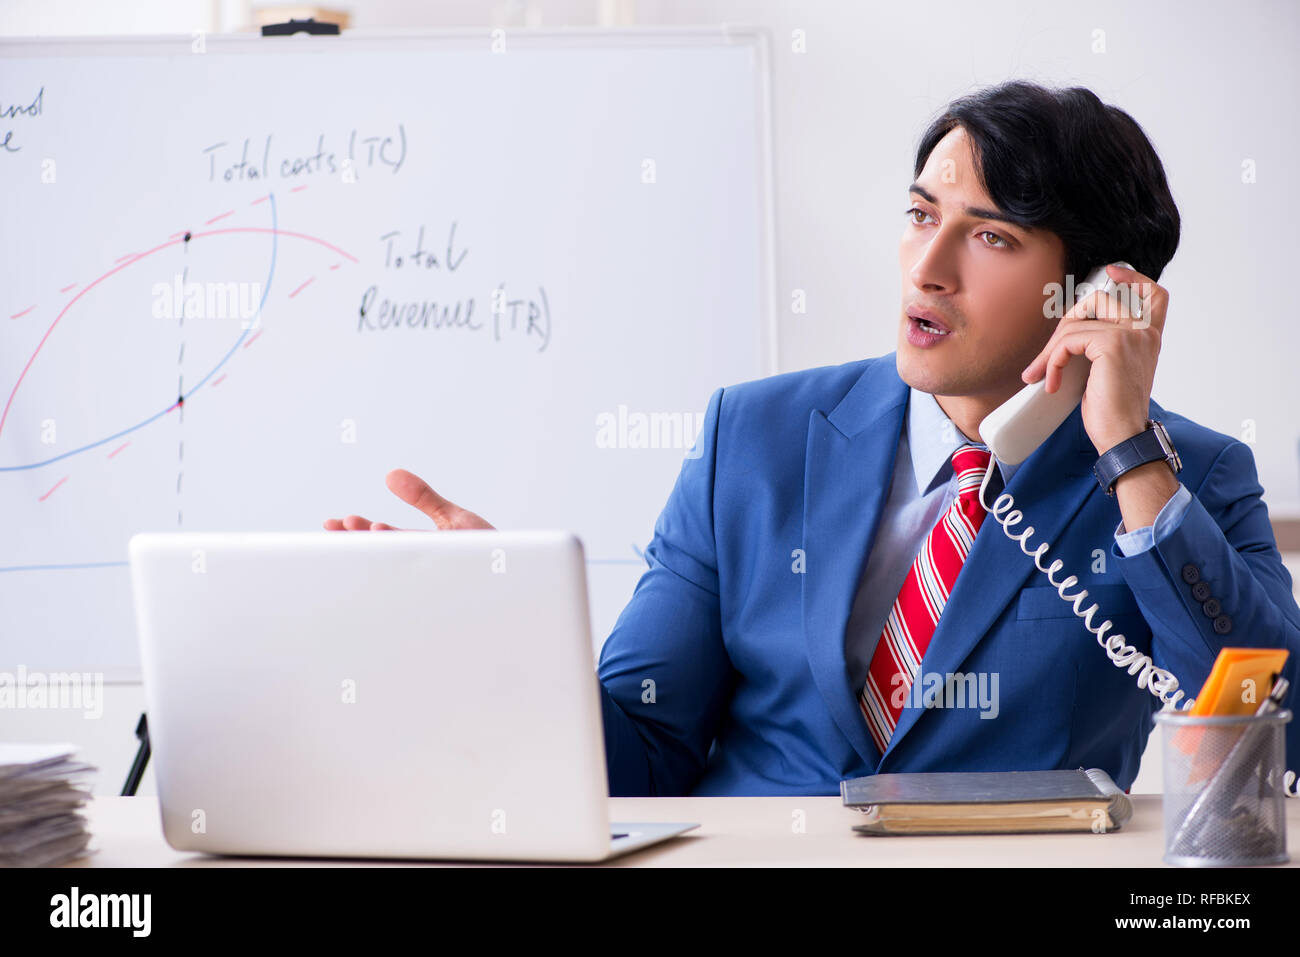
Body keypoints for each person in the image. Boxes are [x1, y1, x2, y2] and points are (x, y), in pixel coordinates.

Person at [326, 80, 1300, 796]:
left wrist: (1125, 448)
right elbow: (642, 748)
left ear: (1097, 291)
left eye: (989, 237)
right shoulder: (750, 436)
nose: (926, 268)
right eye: (920, 216)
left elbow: (1279, 744)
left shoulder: (1189, 477)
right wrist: (502, 644)